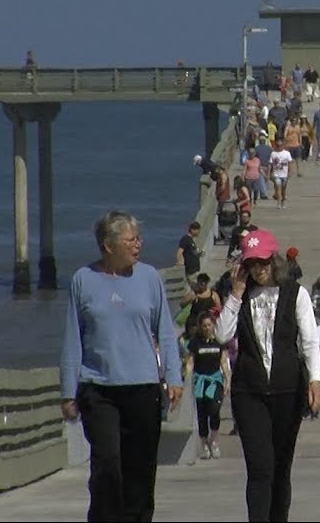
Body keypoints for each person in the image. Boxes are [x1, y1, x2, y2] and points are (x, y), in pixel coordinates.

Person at [60, 210, 184, 522]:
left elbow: (165, 331)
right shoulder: (83, 280)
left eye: (138, 239)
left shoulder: (149, 277)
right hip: (98, 388)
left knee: (140, 471)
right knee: (107, 464)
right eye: (130, 240)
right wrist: (68, 392)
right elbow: (73, 337)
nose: (138, 245)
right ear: (108, 245)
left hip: (143, 388)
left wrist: (174, 376)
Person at [213, 228, 320, 523]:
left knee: (280, 469)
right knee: (260, 468)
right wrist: (236, 293)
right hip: (249, 393)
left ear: (274, 261)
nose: (258, 270)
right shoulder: (241, 296)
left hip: (288, 391)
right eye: (251, 264)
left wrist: (316, 380)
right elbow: (222, 335)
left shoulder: (296, 294)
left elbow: (310, 341)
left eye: (263, 262)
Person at [183, 312, 231, 461]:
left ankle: (214, 441)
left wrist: (227, 381)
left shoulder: (219, 341)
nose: (207, 328)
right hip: (200, 382)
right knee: (202, 413)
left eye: (209, 325)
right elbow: (190, 362)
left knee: (214, 410)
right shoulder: (195, 342)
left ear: (213, 325)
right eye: (204, 325)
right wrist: (187, 380)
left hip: (215, 381)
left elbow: (224, 362)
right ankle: (204, 444)